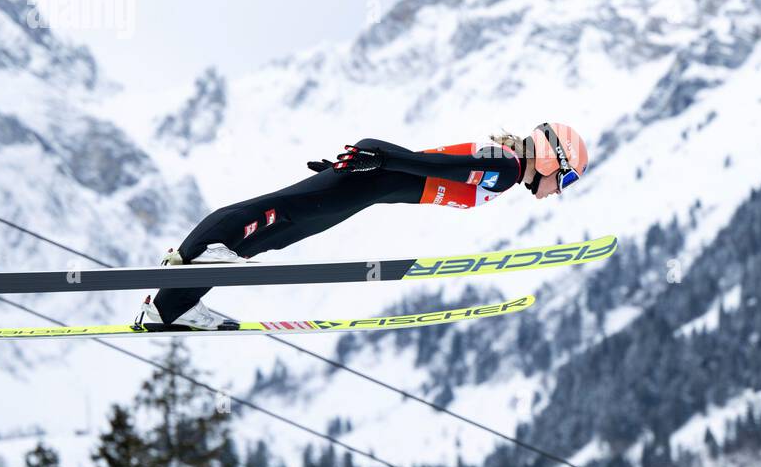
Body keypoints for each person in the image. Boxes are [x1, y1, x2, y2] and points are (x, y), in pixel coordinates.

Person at [134, 123, 589, 330]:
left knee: (276, 234)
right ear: (552, 157)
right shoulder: (506, 168)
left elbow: (425, 166)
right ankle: (193, 262)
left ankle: (172, 306)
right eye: (564, 178)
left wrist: (366, 166)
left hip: (369, 188)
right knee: (273, 211)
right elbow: (430, 162)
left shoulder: (504, 171)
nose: (559, 188)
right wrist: (377, 157)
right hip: (370, 182)